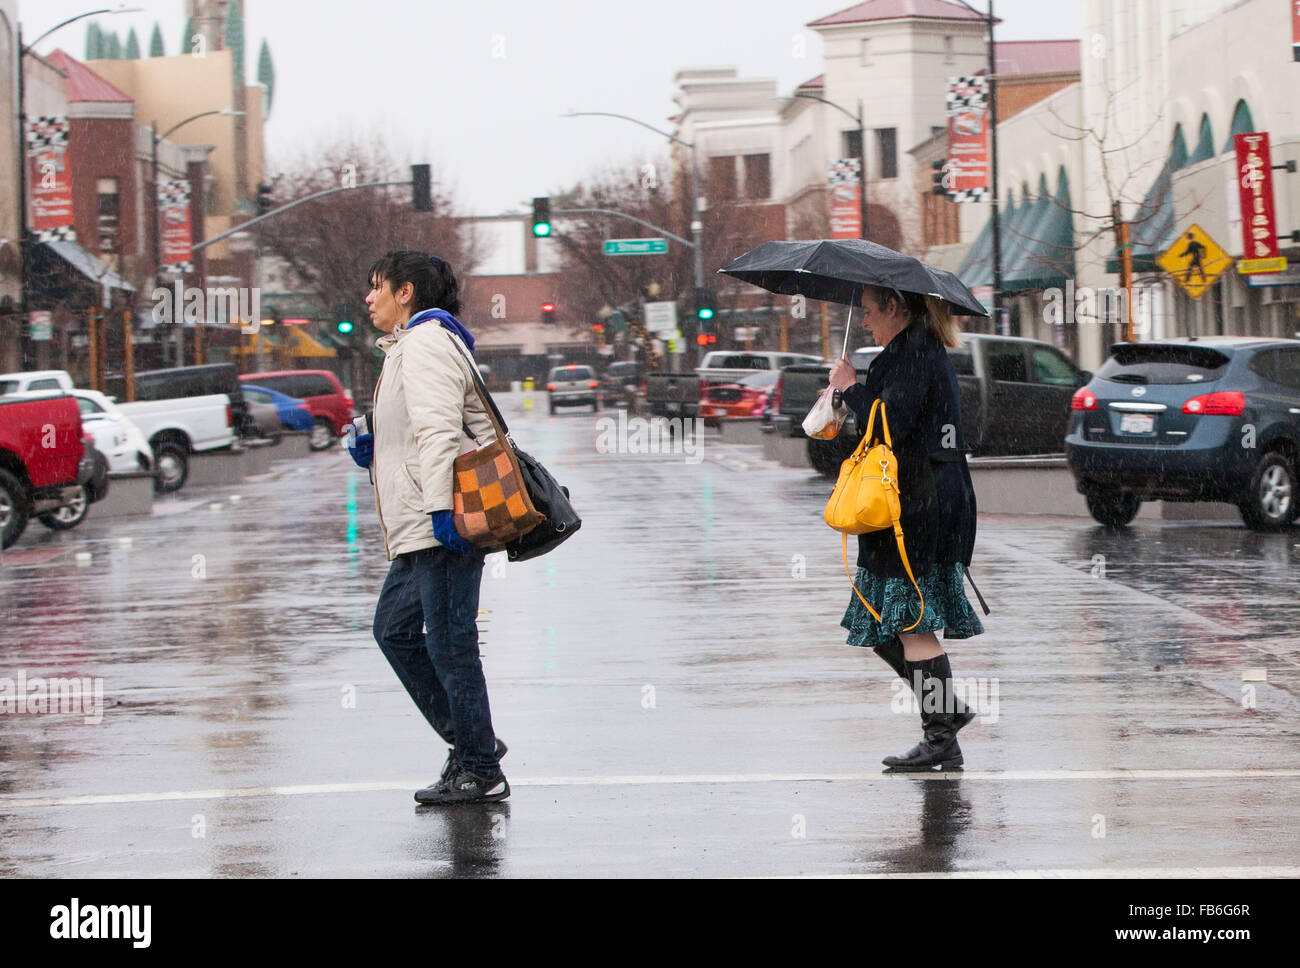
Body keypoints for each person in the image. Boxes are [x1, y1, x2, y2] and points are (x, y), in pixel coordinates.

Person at [351, 250, 509, 804]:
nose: (368, 298)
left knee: (450, 645)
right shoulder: (408, 348)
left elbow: (440, 433)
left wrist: (443, 511)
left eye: (376, 286)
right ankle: (472, 742)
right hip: (418, 529)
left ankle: (480, 768)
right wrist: (373, 444)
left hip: (441, 523)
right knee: (394, 631)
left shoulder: (424, 344)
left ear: (406, 292)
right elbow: (414, 429)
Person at [827, 285, 985, 771]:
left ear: (895, 308)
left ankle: (940, 734)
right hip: (909, 502)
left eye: (871, 312)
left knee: (910, 623)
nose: (868, 322)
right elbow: (886, 418)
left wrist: (849, 387)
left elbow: (890, 424)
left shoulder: (916, 352)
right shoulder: (906, 351)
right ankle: (946, 723)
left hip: (921, 506)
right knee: (879, 623)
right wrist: (845, 395)